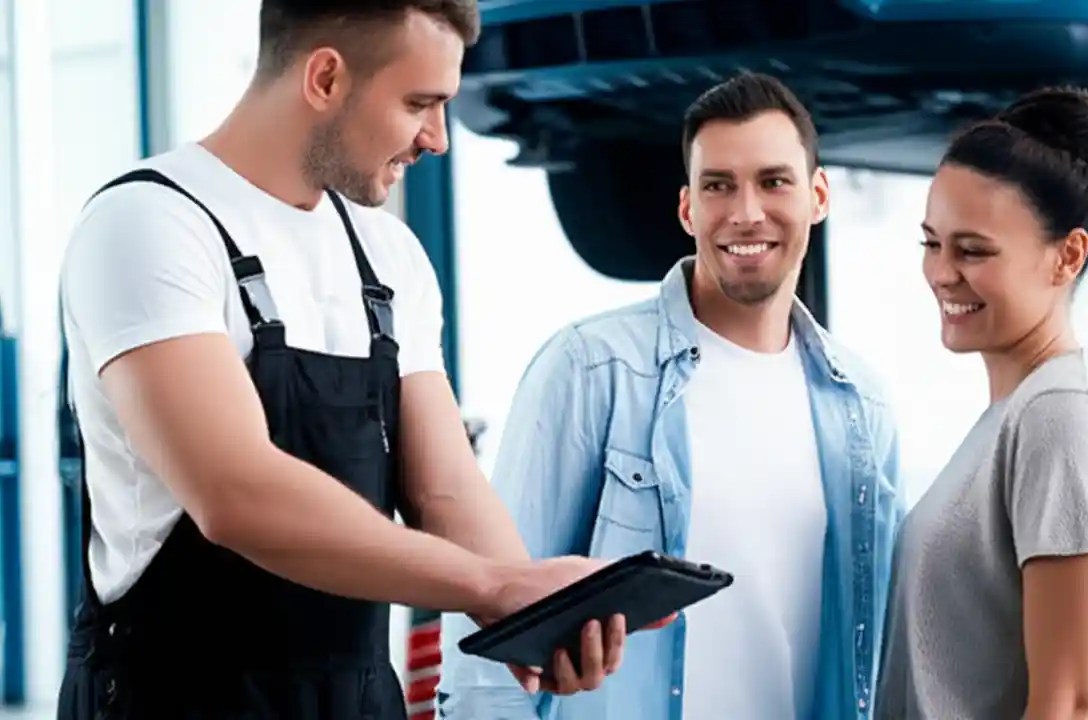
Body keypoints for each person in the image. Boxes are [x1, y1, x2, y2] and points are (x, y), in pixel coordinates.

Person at [55, 2, 651, 717]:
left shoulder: (387, 253)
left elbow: (443, 488)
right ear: (326, 78)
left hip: (357, 699)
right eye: (418, 104)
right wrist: (489, 587)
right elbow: (236, 494)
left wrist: (537, 613)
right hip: (173, 698)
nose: (438, 139)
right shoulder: (150, 225)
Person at [438, 72, 904, 720]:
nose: (746, 212)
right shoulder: (592, 369)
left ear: (818, 196)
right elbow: (490, 635)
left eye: (774, 181)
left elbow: (877, 648)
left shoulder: (862, 404)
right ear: (688, 208)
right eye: (719, 185)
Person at [874, 86, 1088, 719]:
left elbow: (1074, 707)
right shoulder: (1017, 413)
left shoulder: (1062, 414)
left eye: (973, 250)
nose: (941, 272)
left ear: (1068, 256)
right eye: (931, 243)